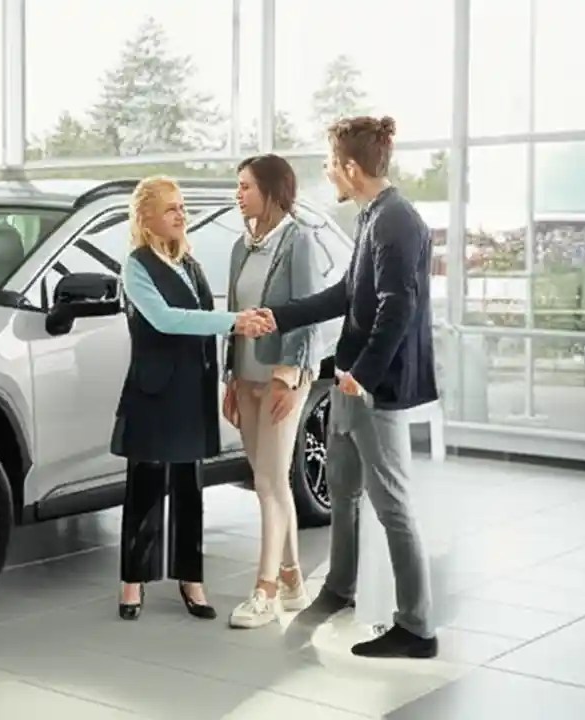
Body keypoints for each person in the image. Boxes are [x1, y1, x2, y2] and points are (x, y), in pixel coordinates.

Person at [253, 116, 440, 658]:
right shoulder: (371, 217)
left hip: (370, 388)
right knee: (343, 491)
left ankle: (417, 628)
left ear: (352, 168)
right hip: (350, 377)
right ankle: (340, 587)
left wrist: (364, 377)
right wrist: (279, 316)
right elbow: (346, 295)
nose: (328, 172)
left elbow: (397, 307)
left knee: (393, 505)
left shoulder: (397, 222)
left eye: (331, 164)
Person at [111, 175, 272, 621]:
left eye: (181, 207)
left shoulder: (191, 263)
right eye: (171, 209)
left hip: (191, 389)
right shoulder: (136, 265)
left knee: (189, 488)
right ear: (146, 218)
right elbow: (165, 319)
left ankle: (191, 580)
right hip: (155, 390)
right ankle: (133, 581)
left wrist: (226, 375)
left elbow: (200, 319)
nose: (181, 215)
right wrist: (234, 321)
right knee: (144, 488)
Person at [221, 155, 330, 629]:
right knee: (271, 480)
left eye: (245, 186)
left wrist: (289, 376)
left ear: (271, 190)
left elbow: (307, 312)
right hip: (246, 376)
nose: (238, 193)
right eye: (238, 185)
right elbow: (234, 316)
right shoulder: (240, 247)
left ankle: (264, 590)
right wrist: (230, 377)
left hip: (285, 377)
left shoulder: (298, 240)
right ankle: (292, 581)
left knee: (266, 481)